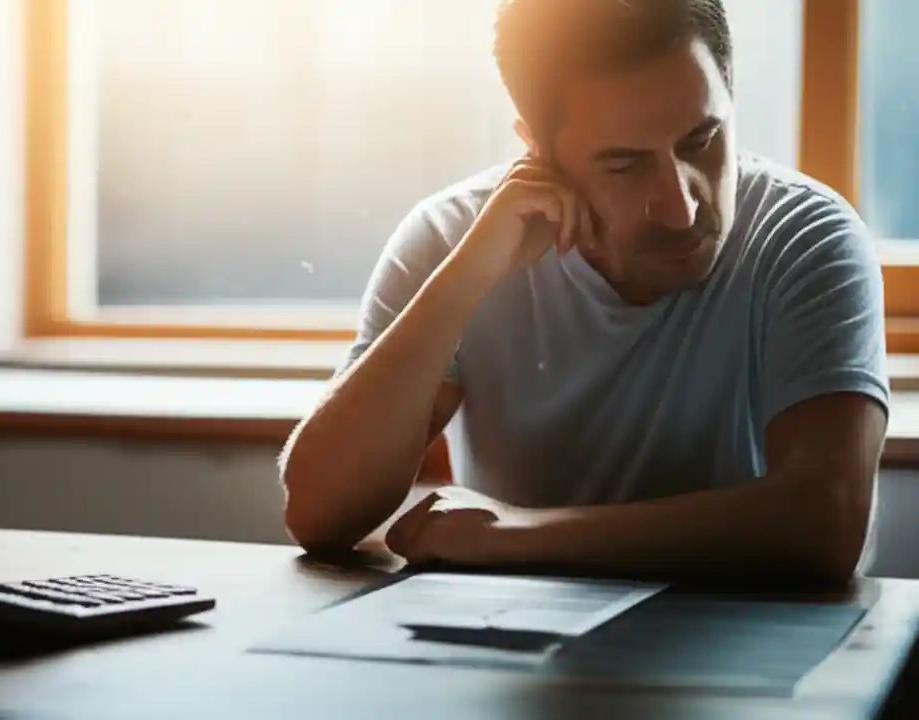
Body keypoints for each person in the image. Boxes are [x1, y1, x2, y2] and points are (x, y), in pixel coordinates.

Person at [279, 0, 888, 582]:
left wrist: (514, 537)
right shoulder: (453, 235)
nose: (679, 208)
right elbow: (319, 514)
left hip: (755, 662)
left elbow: (826, 525)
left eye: (700, 142)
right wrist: (468, 276)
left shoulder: (807, 237)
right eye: (623, 165)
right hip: (512, 658)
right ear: (537, 150)